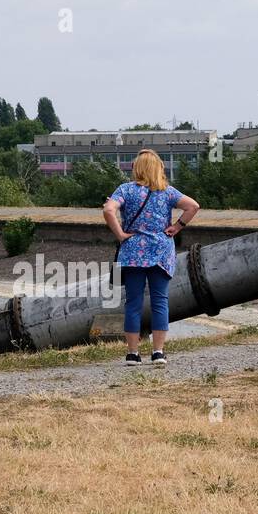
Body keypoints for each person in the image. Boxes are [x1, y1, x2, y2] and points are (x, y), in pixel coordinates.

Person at [102, 149, 200, 366]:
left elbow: (109, 210)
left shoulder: (125, 190)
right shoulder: (167, 192)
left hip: (132, 252)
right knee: (160, 302)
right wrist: (177, 226)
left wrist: (120, 234)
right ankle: (158, 352)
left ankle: (132, 354)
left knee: (133, 303)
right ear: (159, 169)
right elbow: (193, 206)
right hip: (160, 252)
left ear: (137, 167)